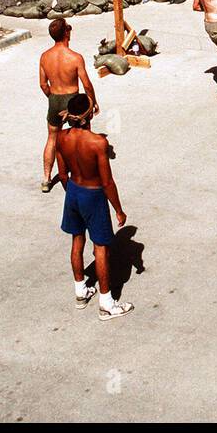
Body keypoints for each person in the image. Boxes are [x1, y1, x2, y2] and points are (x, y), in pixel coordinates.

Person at [55, 93, 133, 321]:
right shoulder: (98, 143)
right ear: (89, 114)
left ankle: (81, 291)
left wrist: (73, 194)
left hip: (73, 192)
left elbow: (62, 174)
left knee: (77, 240)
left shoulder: (61, 137)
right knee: (101, 247)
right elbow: (107, 181)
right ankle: (107, 303)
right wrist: (118, 209)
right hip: (93, 194)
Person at [39, 18, 97, 193]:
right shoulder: (75, 58)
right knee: (82, 134)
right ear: (66, 33)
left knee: (52, 138)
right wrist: (92, 102)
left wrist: (53, 98)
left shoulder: (44, 56)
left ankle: (46, 179)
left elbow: (43, 84)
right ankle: (84, 170)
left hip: (54, 99)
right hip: (72, 99)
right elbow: (86, 84)